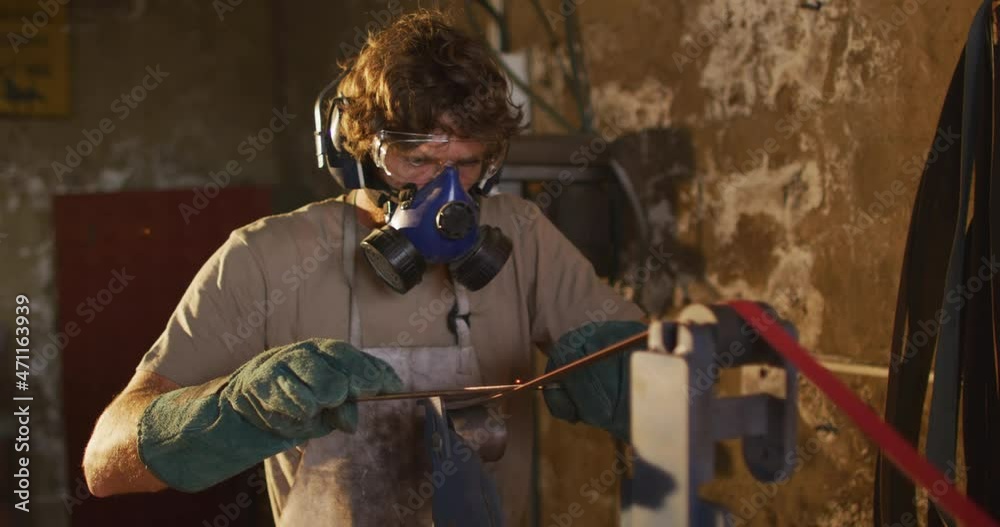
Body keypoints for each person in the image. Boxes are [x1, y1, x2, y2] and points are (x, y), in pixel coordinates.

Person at [81, 10, 646, 526]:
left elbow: (658, 372)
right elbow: (105, 463)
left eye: (466, 164)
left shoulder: (523, 236)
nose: (446, 192)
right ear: (359, 150)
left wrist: (635, 382)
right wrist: (232, 410)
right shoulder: (265, 256)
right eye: (417, 159)